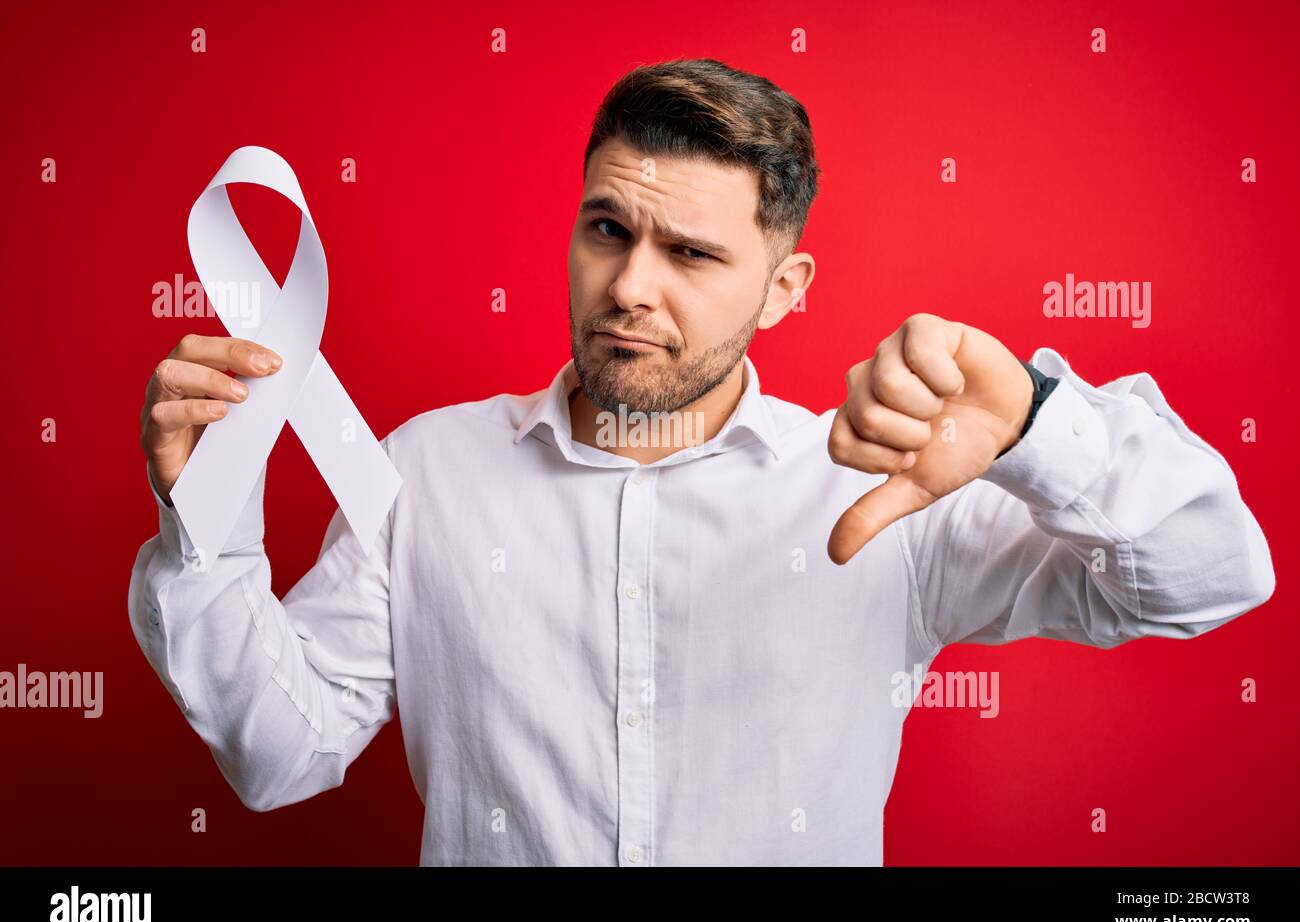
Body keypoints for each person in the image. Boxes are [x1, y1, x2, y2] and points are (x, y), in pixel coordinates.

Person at [128, 58, 1274, 866]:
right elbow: (279, 756)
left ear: (784, 288)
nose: (630, 285)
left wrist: (1033, 422)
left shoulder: (887, 489)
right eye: (607, 229)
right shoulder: (425, 473)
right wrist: (212, 519)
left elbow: (1212, 572)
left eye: (690, 252)